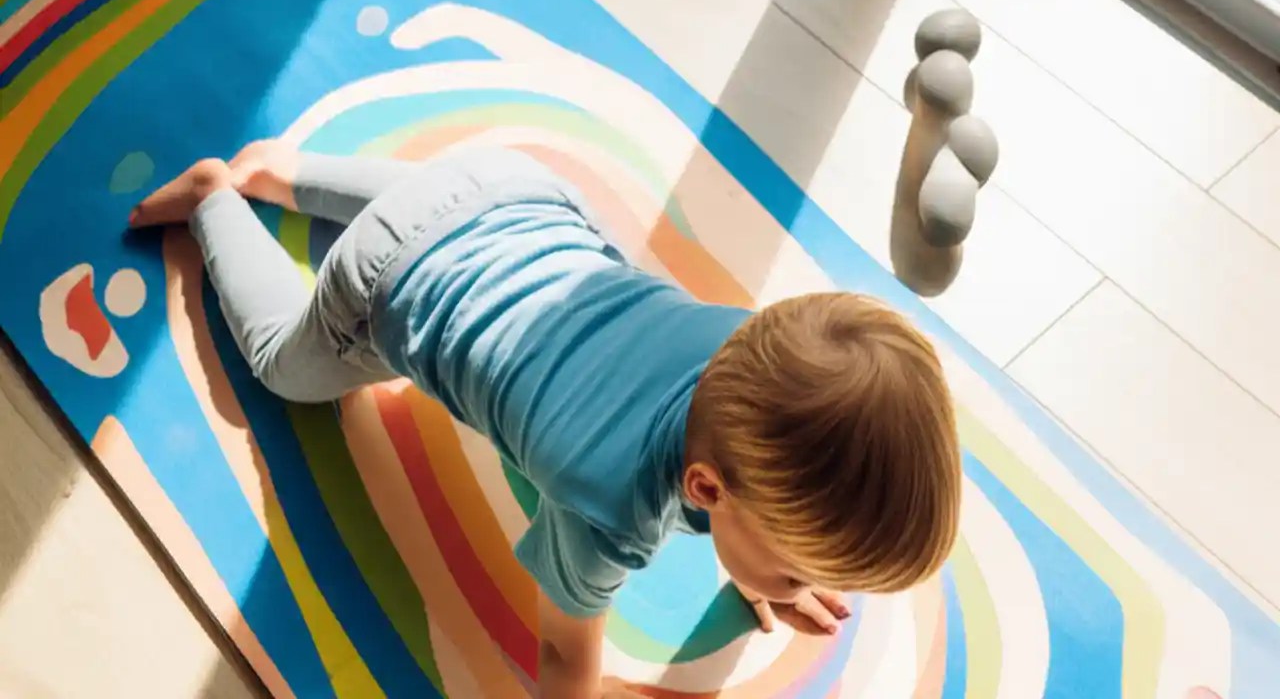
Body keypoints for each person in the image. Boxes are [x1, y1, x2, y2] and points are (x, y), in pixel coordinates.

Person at [130, 140, 963, 698]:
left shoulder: (755, 350)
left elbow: (765, 471)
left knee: (436, 207)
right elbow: (566, 650)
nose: (798, 588)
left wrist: (767, 562)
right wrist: (761, 562)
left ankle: (284, 173)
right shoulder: (608, 506)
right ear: (706, 487)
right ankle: (215, 200)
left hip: (509, 190)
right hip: (381, 282)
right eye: (794, 571)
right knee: (286, 367)